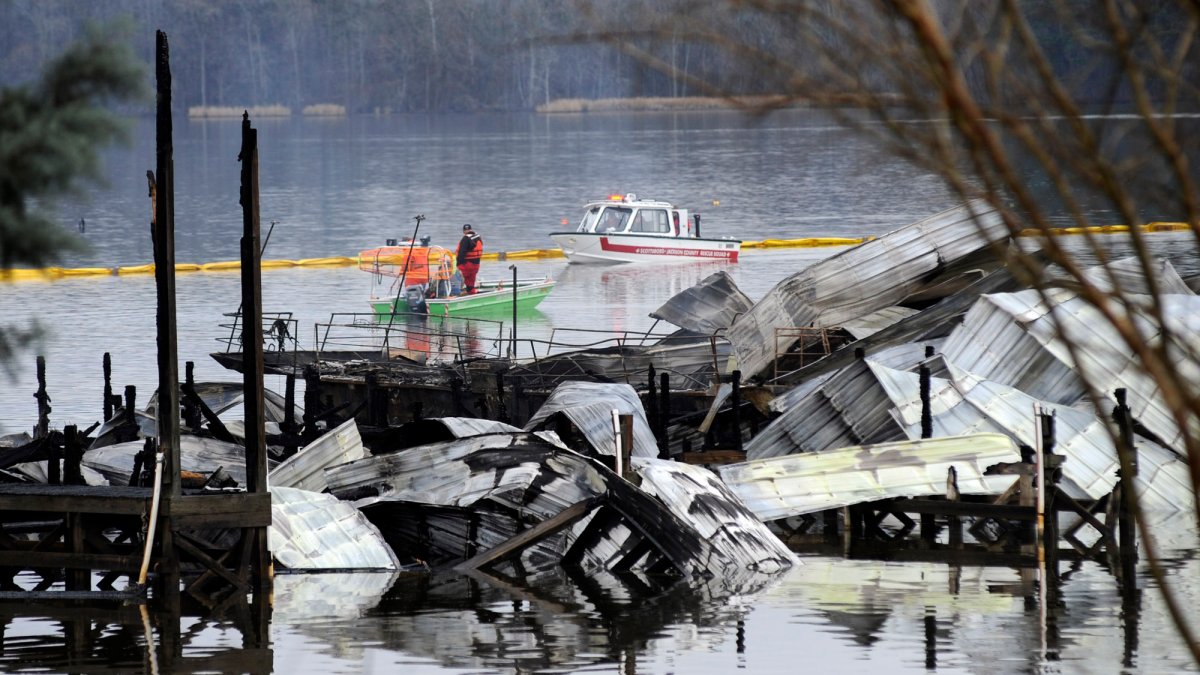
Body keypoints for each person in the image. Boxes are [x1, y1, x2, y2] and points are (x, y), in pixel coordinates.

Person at [456, 223, 483, 294]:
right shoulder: (478, 237)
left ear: (463, 231)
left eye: (466, 230)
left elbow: (461, 253)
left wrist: (458, 264)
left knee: (457, 277)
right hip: (476, 265)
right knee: (471, 281)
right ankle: (471, 291)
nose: (466, 231)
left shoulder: (465, 239)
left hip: (467, 265)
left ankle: (456, 292)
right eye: (466, 230)